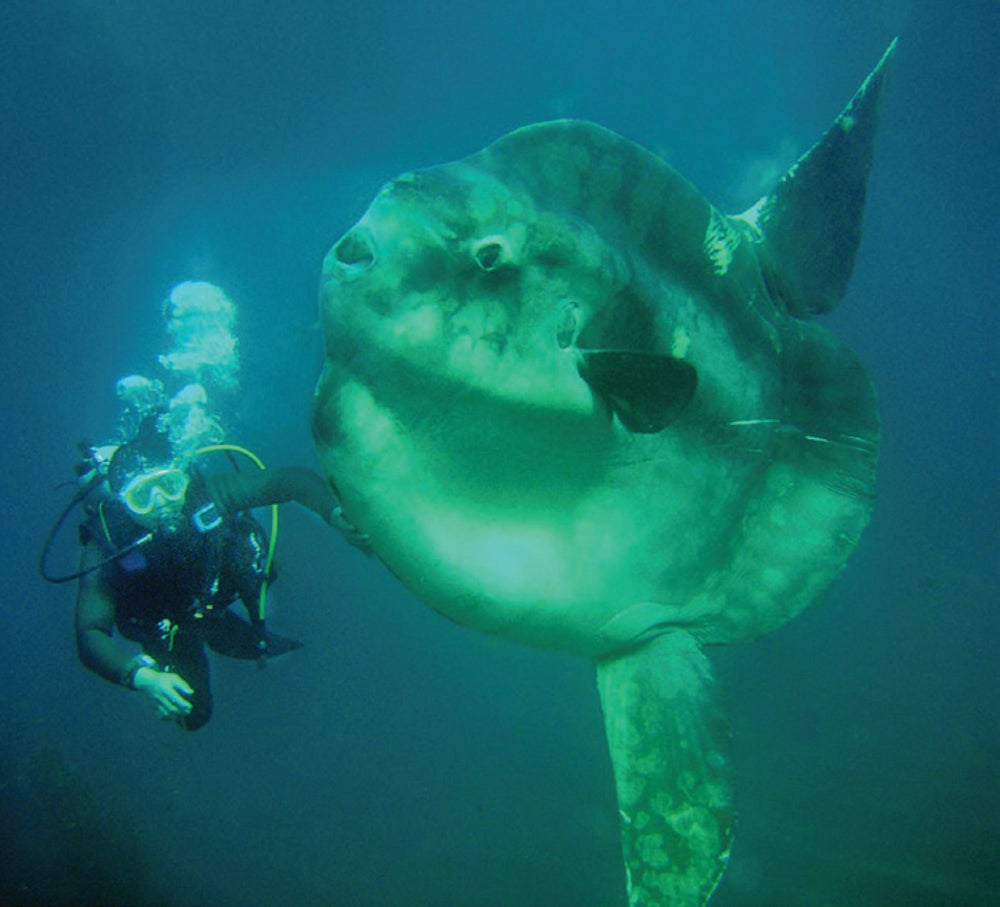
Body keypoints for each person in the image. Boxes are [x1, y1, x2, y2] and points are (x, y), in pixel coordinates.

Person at [74, 417, 365, 731]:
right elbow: (90, 632)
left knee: (262, 572)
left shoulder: (209, 495)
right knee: (194, 716)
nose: (161, 504)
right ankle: (215, 636)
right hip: (168, 623)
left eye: (170, 486)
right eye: (142, 497)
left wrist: (333, 512)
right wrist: (144, 678)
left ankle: (241, 625)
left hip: (216, 589)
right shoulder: (106, 544)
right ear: (122, 503)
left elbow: (289, 481)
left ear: (183, 480)